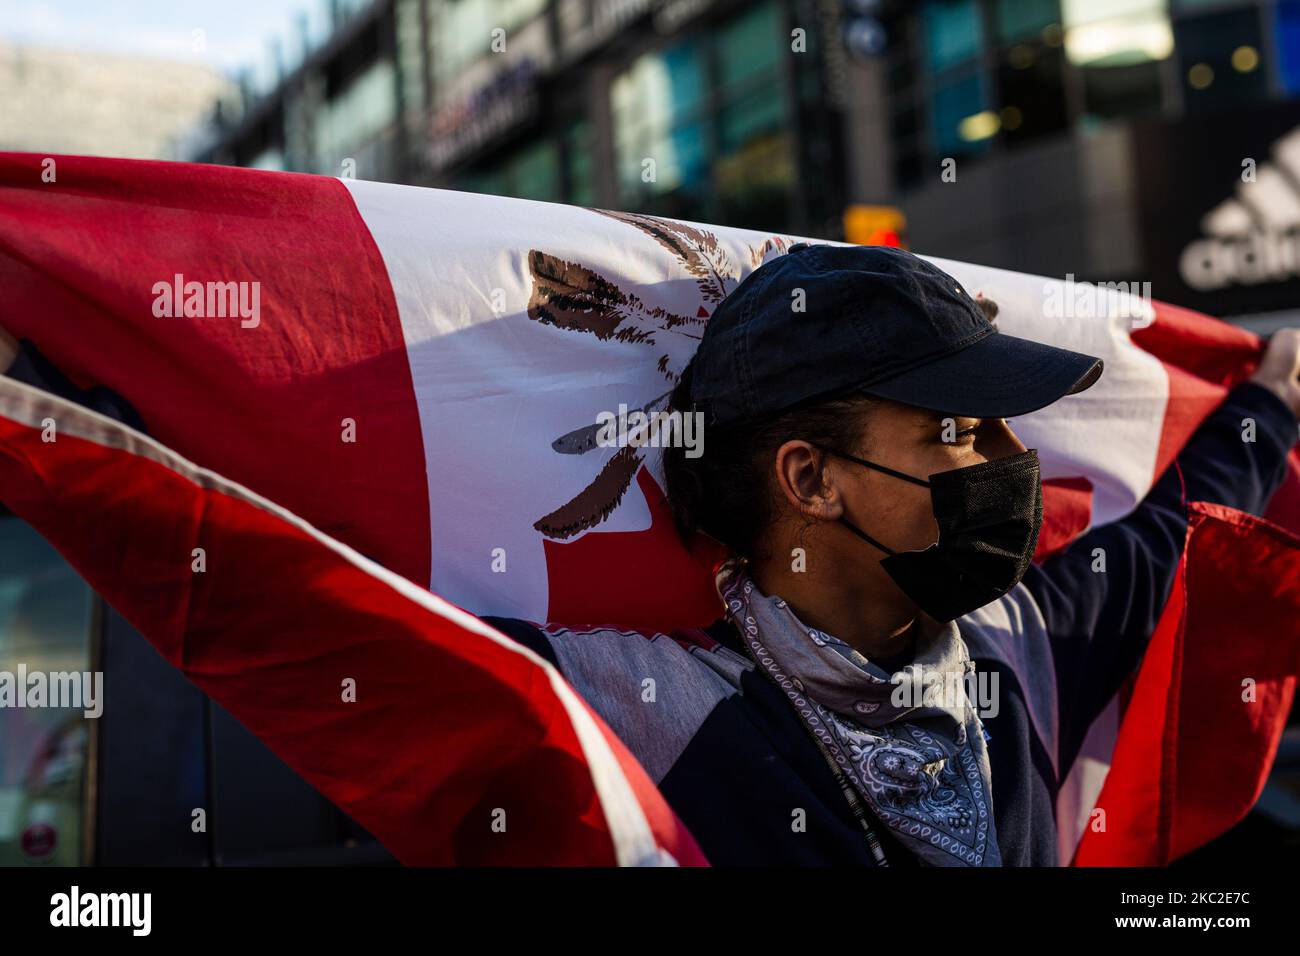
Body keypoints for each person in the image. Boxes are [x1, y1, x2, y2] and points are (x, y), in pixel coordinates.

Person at [3, 244, 1298, 866]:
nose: (1006, 464)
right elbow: (311, 614)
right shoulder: (636, 708)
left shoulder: (1019, 643)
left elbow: (1192, 526)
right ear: (810, 481)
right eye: (955, 428)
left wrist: (1274, 402)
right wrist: (52, 412)